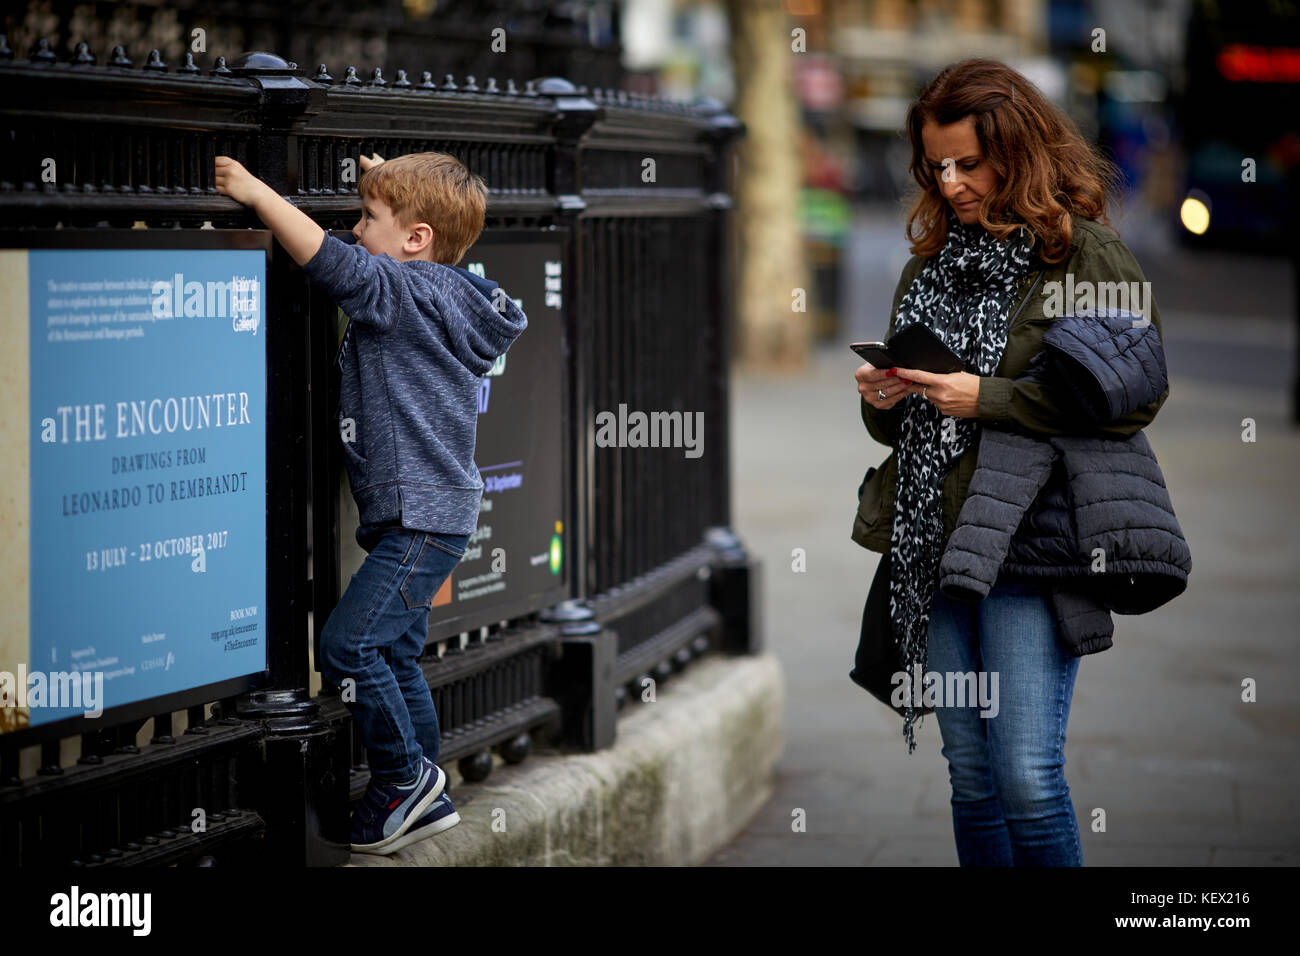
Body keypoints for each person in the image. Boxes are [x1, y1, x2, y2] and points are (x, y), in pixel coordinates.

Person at [850, 58, 1167, 866]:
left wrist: (985, 398)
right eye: (937, 165)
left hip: (1034, 545)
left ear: (1017, 152)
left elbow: (1132, 398)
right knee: (972, 778)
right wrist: (884, 399)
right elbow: (902, 429)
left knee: (1027, 776)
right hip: (936, 548)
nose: (951, 182)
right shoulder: (928, 265)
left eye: (969, 162)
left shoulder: (1085, 256)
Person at [215, 150, 528, 855]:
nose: (357, 228)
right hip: (430, 517)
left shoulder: (404, 291)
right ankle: (425, 788)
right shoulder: (445, 290)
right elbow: (396, 241)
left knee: (347, 646)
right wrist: (399, 188)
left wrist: (259, 192)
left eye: (369, 217)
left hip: (420, 521)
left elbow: (327, 260)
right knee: (396, 653)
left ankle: (400, 780)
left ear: (416, 241)